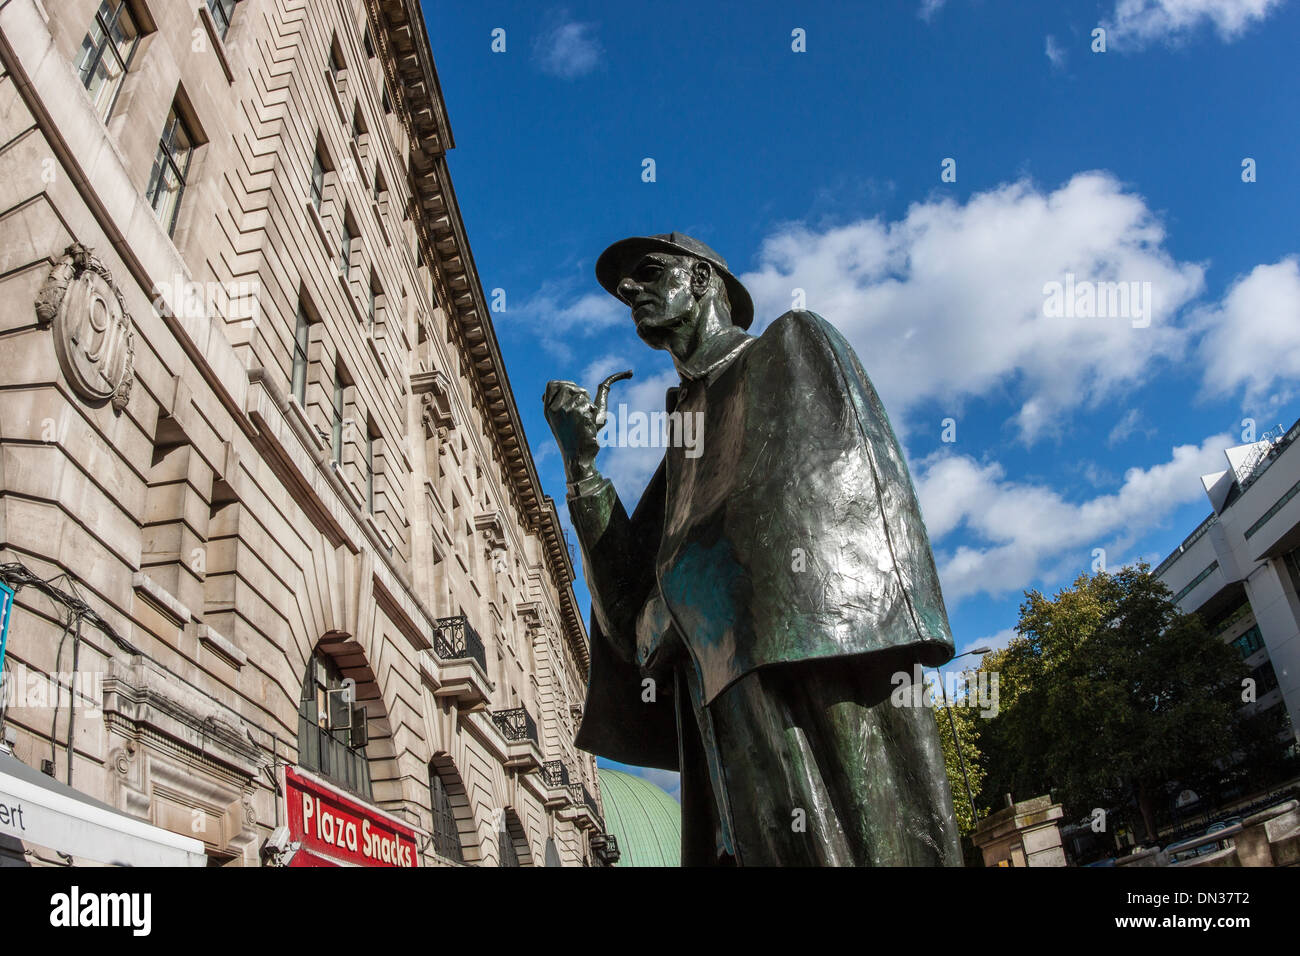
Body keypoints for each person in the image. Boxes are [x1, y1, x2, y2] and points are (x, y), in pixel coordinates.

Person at [544, 232, 962, 865]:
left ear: (705, 281)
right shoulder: (684, 445)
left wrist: (673, 607)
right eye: (626, 286)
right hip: (717, 727)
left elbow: (814, 531)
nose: (630, 290)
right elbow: (629, 621)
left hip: (797, 699)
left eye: (650, 273)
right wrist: (581, 466)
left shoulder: (788, 348)